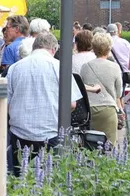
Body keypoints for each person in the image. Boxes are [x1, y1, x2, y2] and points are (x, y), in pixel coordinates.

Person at [6, 32, 80, 176]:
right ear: (53, 49)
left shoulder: (14, 68)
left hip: (20, 134)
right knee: (48, 182)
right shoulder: (60, 67)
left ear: (34, 47)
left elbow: (7, 105)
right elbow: (71, 104)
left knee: (20, 181)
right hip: (50, 133)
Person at [79, 32, 125, 145]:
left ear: (93, 47)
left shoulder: (85, 67)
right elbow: (119, 93)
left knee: (89, 145)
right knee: (109, 146)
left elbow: (82, 89)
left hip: (89, 110)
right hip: (108, 110)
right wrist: (121, 110)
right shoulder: (115, 67)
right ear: (109, 48)